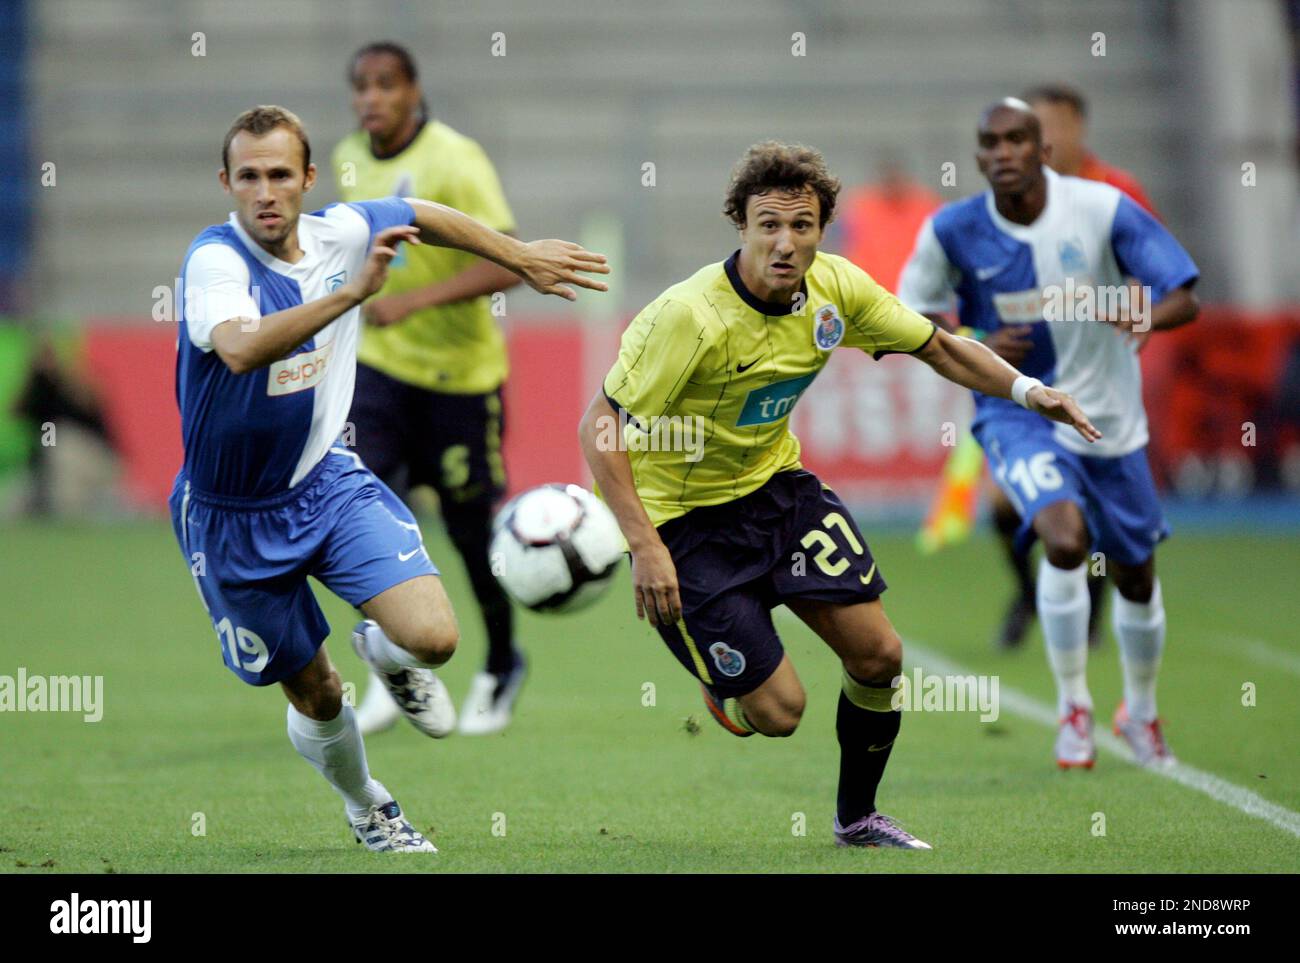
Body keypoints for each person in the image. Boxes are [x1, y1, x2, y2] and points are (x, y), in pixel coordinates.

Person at [578, 141, 1098, 848]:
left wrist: (1031, 392)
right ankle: (725, 680)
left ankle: (857, 816)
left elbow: (939, 346)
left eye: (802, 225)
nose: (785, 243)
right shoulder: (689, 318)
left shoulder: (838, 290)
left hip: (778, 494)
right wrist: (643, 544)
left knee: (881, 656)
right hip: (686, 524)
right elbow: (599, 424)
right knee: (779, 711)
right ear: (741, 226)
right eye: (769, 225)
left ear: (823, 229)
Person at [172, 105, 607, 851]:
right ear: (227, 183)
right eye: (249, 176)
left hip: (325, 483)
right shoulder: (216, 260)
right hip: (231, 516)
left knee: (434, 639)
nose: (266, 191)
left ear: (309, 178)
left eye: (281, 174)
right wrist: (348, 296)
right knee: (318, 692)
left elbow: (422, 213)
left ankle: (387, 651)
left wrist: (518, 255)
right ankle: (367, 802)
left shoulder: (339, 230)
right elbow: (241, 350)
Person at [898, 99, 1199, 769]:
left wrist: (1146, 313)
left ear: (1042, 150)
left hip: (1110, 421)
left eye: (1016, 140)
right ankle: (1074, 709)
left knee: (1136, 574)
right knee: (1063, 540)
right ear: (977, 157)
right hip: (1017, 411)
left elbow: (1185, 294)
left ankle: (1140, 711)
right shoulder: (952, 230)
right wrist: (972, 338)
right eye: (990, 143)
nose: (1003, 152)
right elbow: (908, 316)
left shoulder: (1100, 210)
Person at [332, 43, 529, 738]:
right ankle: (393, 664)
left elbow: (507, 260)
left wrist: (413, 303)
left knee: (472, 533)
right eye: (361, 87)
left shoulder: (457, 157)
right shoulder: (347, 157)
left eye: (385, 85)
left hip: (460, 382)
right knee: (360, 512)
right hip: (380, 371)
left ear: (414, 91)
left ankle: (502, 662)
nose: (371, 99)